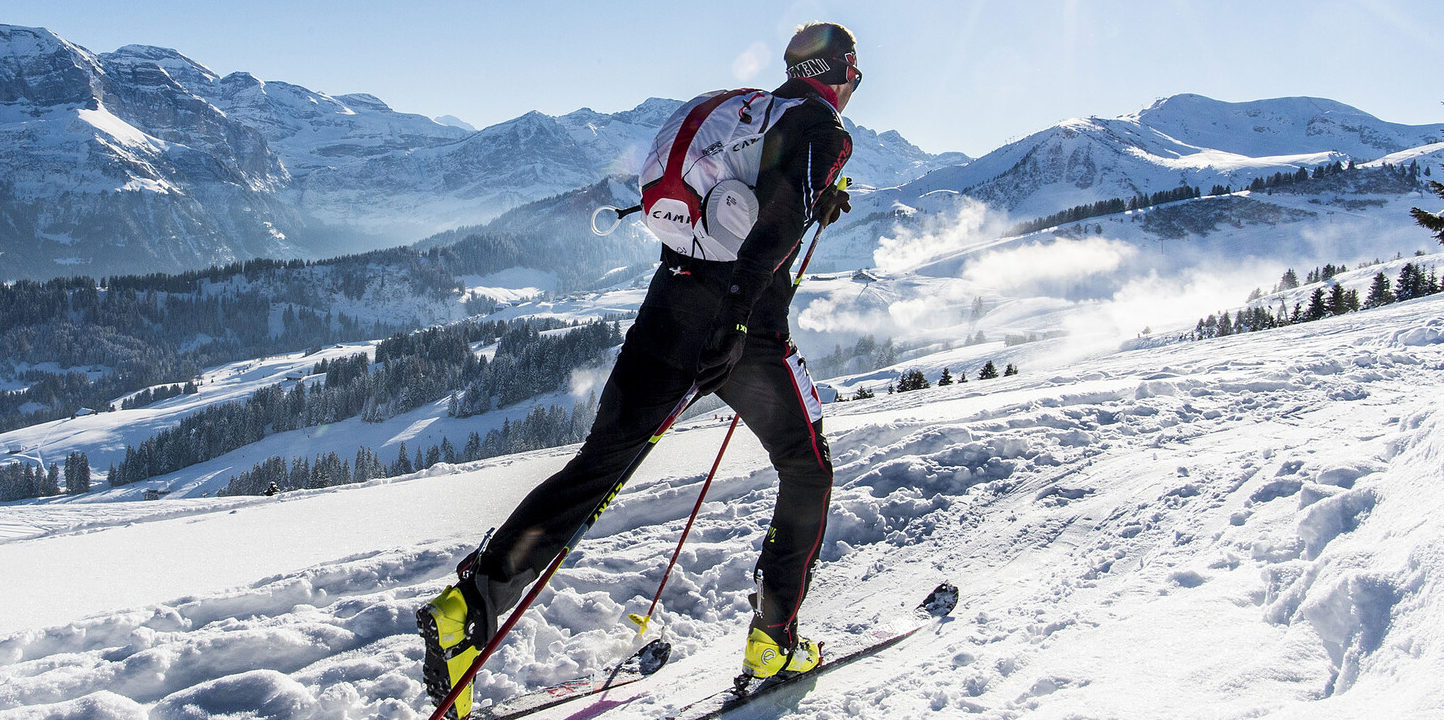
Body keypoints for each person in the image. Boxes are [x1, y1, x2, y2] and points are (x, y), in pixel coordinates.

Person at [418, 21, 860, 715]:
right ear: (843, 72)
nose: (854, 86)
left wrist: (813, 199)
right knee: (807, 468)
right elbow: (771, 227)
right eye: (854, 75)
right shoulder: (821, 128)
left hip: (670, 303)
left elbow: (759, 200)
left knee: (597, 467)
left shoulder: (753, 115)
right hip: (742, 331)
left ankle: (466, 611)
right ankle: (774, 641)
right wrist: (737, 321)